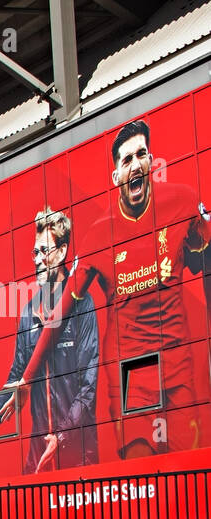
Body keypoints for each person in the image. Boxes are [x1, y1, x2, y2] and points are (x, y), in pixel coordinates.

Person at [68, 119, 211, 456]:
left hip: (178, 364)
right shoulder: (100, 234)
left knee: (189, 469)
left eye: (141, 155)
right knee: (141, 467)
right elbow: (63, 310)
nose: (135, 164)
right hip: (129, 369)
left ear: (151, 161)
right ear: (116, 175)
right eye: (126, 159)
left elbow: (204, 260)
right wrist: (22, 382)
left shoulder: (182, 201)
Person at [0, 208, 100, 472]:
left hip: (77, 451)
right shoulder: (29, 313)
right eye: (35, 252)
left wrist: (62, 436)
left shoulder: (82, 304)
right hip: (39, 453)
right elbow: (17, 374)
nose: (38, 260)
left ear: (63, 252)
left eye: (45, 251)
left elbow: (88, 387)